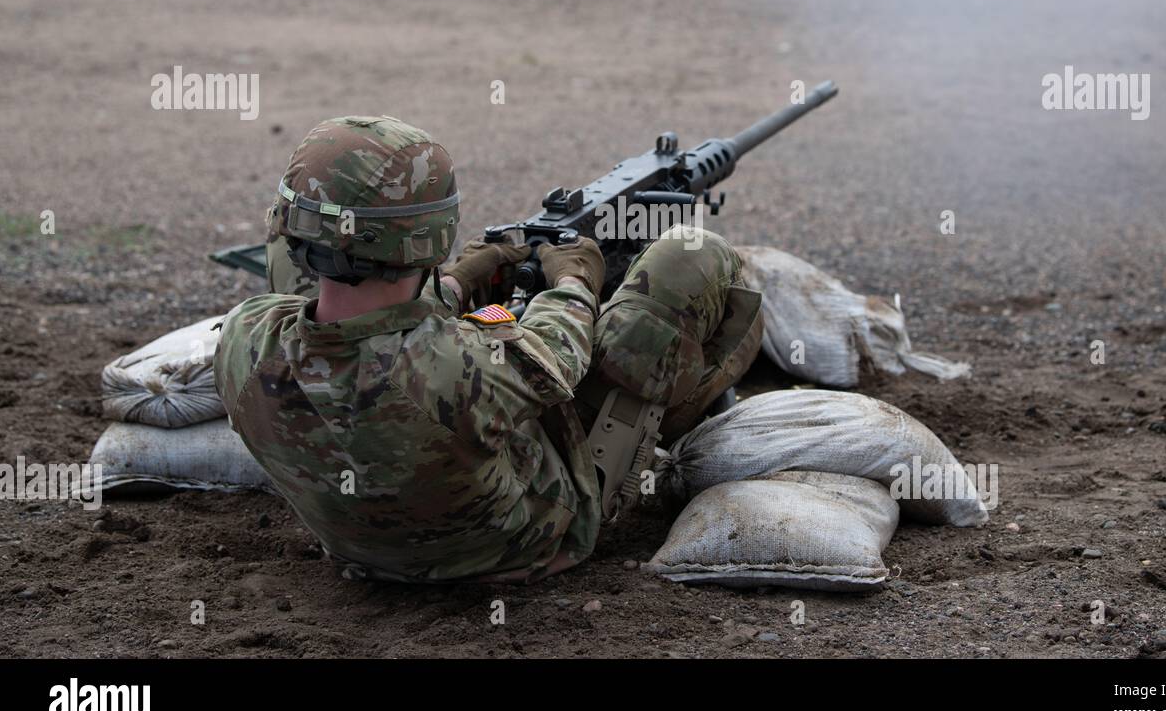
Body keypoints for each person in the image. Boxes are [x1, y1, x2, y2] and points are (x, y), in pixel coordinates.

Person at [214, 115, 761, 584]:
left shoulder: (246, 336)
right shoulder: (462, 364)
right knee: (693, 256)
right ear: (432, 233)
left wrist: (453, 284)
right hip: (518, 547)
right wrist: (573, 281)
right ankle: (683, 421)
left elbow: (377, 329)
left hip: (361, 548)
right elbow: (561, 354)